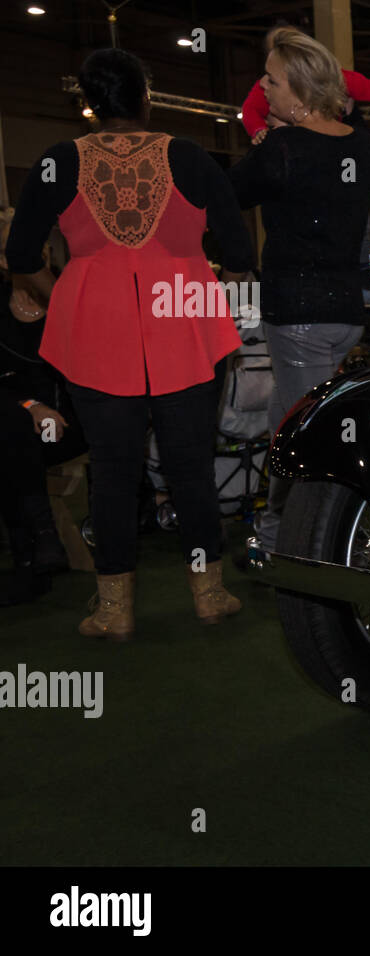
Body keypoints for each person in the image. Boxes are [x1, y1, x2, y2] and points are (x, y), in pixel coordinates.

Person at [5, 48, 254, 638]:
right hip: (186, 321)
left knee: (113, 472)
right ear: (146, 95)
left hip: (95, 328)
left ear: (87, 103)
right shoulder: (190, 156)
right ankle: (209, 593)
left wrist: (54, 292)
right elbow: (241, 252)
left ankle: (114, 609)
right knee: (191, 466)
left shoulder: (56, 161)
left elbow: (19, 255)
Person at [229, 27, 370, 551]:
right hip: (347, 310)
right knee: (289, 416)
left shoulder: (282, 150)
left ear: (296, 89)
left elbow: (228, 194)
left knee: (307, 433)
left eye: (272, 80)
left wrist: (279, 133)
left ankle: (310, 544)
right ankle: (276, 532)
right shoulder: (364, 149)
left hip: (297, 312)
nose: (263, 87)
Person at [0, 210, 86, 605]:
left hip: (70, 422)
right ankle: (41, 545)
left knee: (10, 432)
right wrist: (32, 406)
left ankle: (30, 554)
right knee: (12, 426)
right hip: (23, 423)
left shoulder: (69, 298)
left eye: (40, 249)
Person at [243, 63, 370, 145]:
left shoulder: (335, 78)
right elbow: (250, 109)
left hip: (331, 148)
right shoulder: (269, 84)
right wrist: (258, 130)